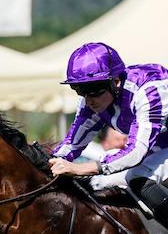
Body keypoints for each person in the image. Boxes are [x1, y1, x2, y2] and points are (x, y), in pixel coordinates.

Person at [49, 42, 168, 223]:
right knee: (102, 177)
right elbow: (72, 145)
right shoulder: (92, 101)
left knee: (136, 175)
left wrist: (78, 168)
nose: (88, 99)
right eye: (80, 90)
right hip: (161, 144)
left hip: (155, 146)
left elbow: (136, 152)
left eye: (94, 89)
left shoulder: (148, 91)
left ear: (116, 82)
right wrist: (44, 163)